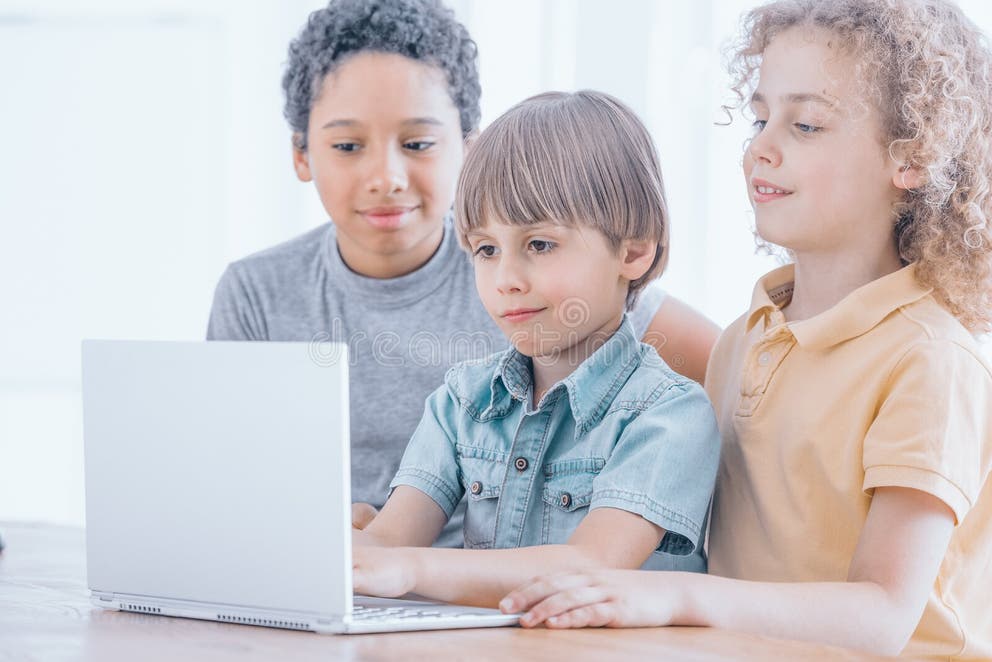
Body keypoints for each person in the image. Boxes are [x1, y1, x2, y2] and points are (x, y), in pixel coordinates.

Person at [500, 1, 992, 658]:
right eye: (761, 118)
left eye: (807, 124)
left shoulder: (930, 360)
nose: (761, 145)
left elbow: (882, 616)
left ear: (913, 157)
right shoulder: (743, 338)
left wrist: (675, 600)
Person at [206, 0, 720, 547]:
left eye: (418, 143)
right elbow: (232, 484)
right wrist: (345, 549)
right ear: (302, 154)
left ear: (467, 147)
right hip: (366, 585)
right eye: (348, 145)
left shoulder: (569, 287)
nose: (386, 177)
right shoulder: (258, 294)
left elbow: (733, 377)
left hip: (457, 591)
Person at [350, 90, 721, 608]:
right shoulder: (462, 400)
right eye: (485, 249)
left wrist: (410, 565)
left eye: (539, 245)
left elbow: (588, 567)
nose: (505, 279)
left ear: (634, 250)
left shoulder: (669, 414)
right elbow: (389, 541)